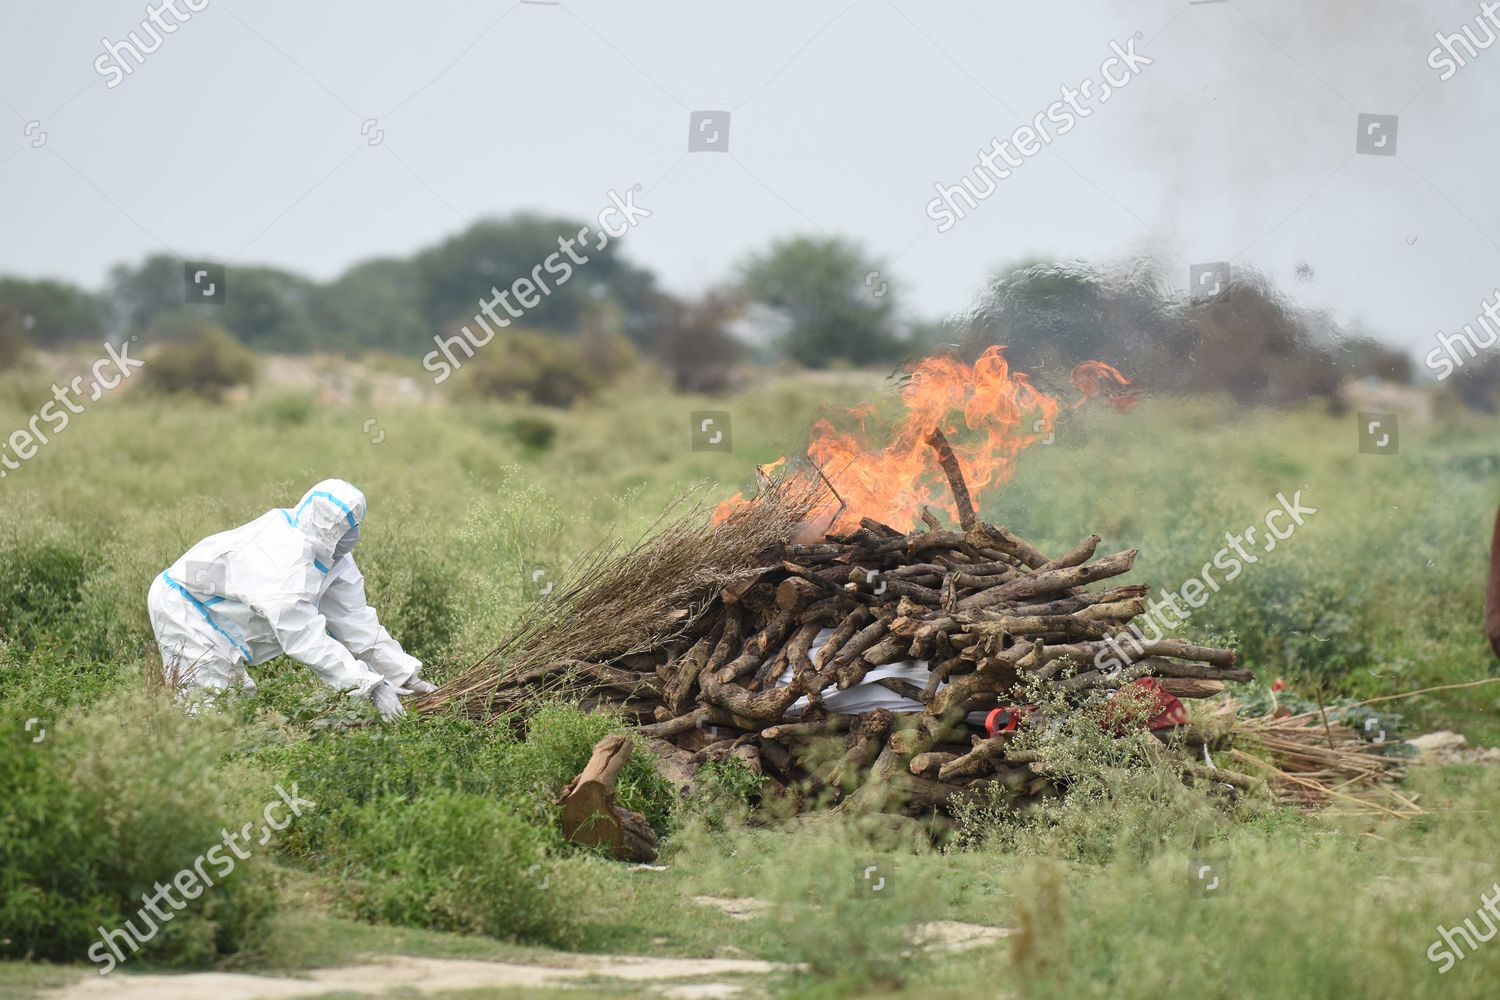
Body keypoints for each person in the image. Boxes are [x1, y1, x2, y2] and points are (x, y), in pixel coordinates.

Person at [148, 479, 434, 718]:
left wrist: (404, 674)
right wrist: (369, 686)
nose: (355, 535)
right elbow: (304, 637)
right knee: (214, 708)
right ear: (328, 530)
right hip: (184, 604)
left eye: (356, 525)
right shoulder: (284, 560)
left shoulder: (333, 555)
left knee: (234, 703)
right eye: (348, 528)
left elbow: (355, 621)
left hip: (216, 607)